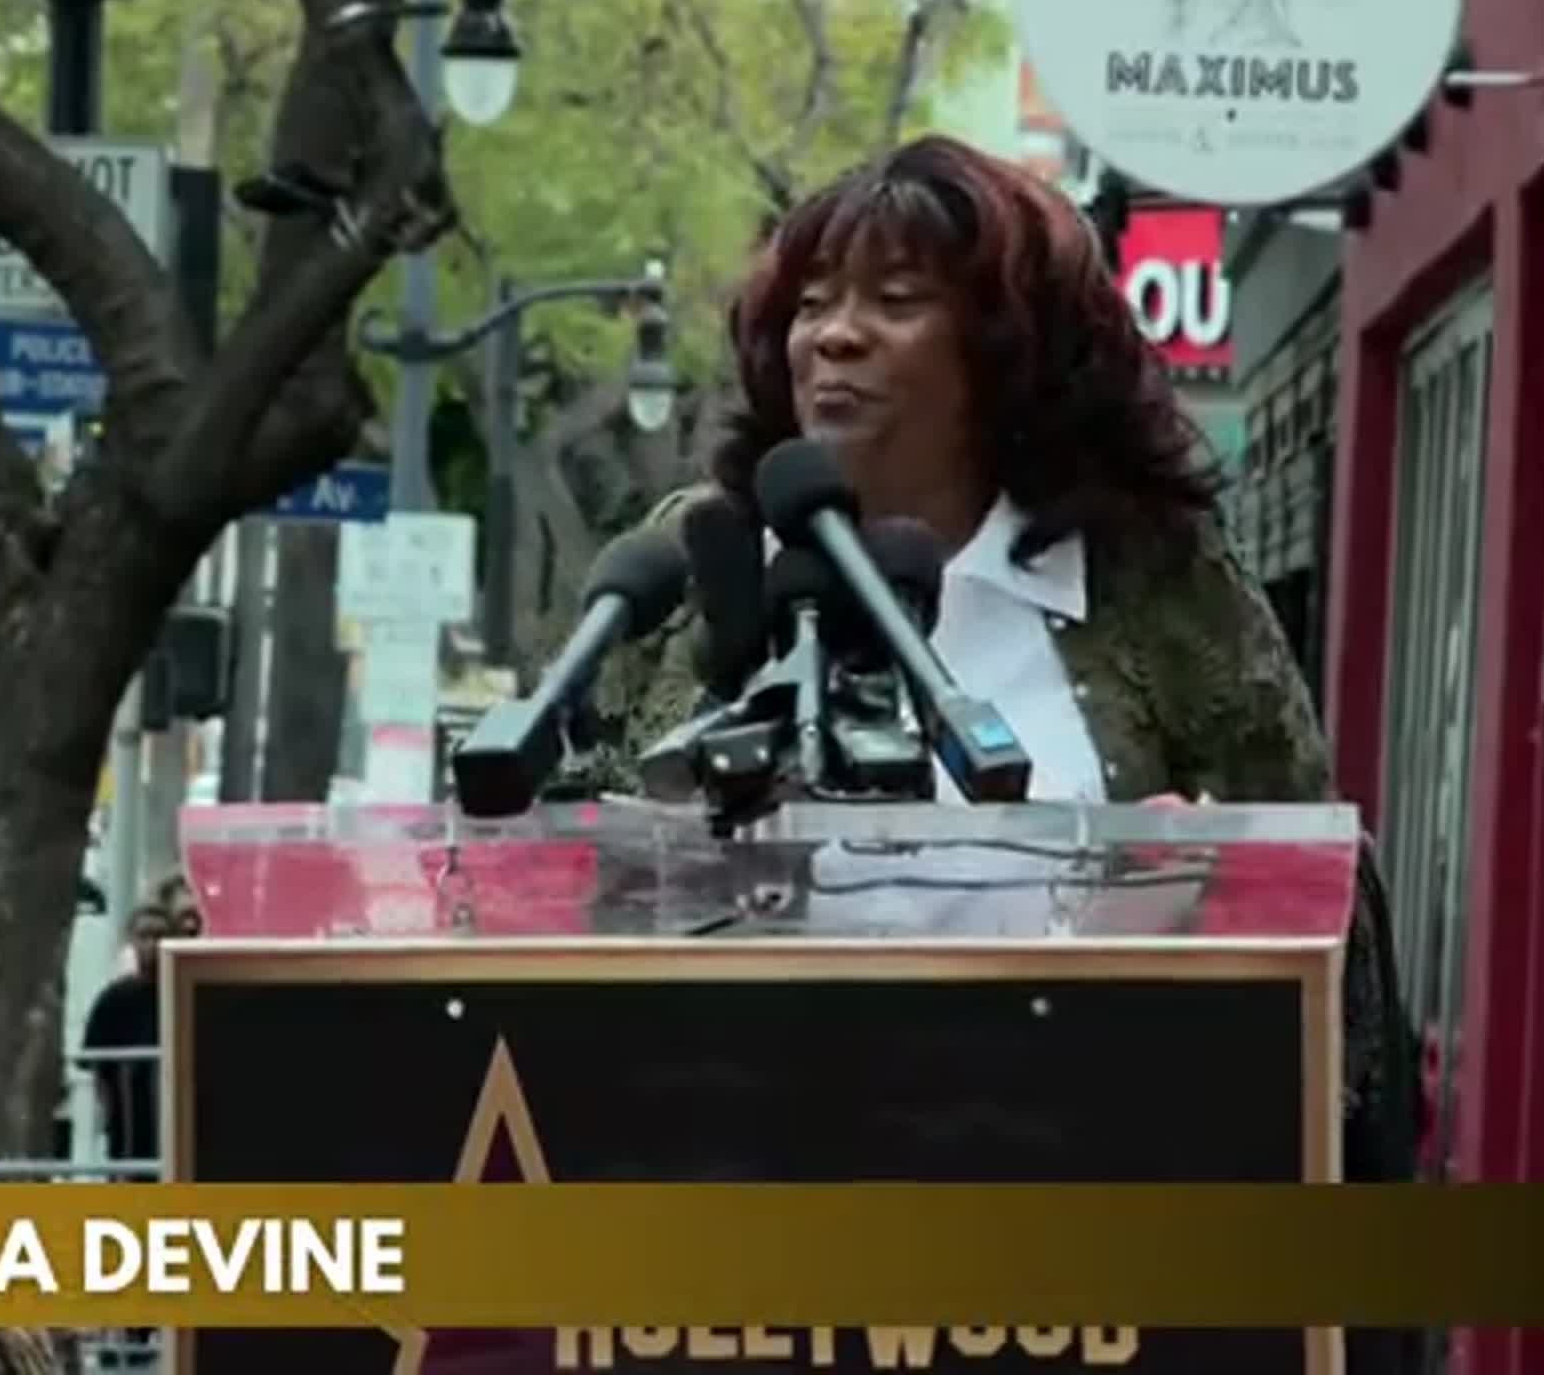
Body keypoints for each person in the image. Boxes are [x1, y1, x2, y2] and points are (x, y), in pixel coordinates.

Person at [586, 135, 1423, 1372]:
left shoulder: (1151, 580)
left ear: (1008, 346)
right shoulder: (692, 564)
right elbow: (552, 885)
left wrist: (1204, 891)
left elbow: (1330, 919)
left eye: (896, 300)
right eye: (811, 305)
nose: (835, 336)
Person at [80, 903, 173, 1167]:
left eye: (161, 935)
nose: (153, 944)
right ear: (131, 940)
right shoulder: (114, 999)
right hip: (129, 1120)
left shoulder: (184, 992)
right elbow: (96, 1063)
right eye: (145, 935)